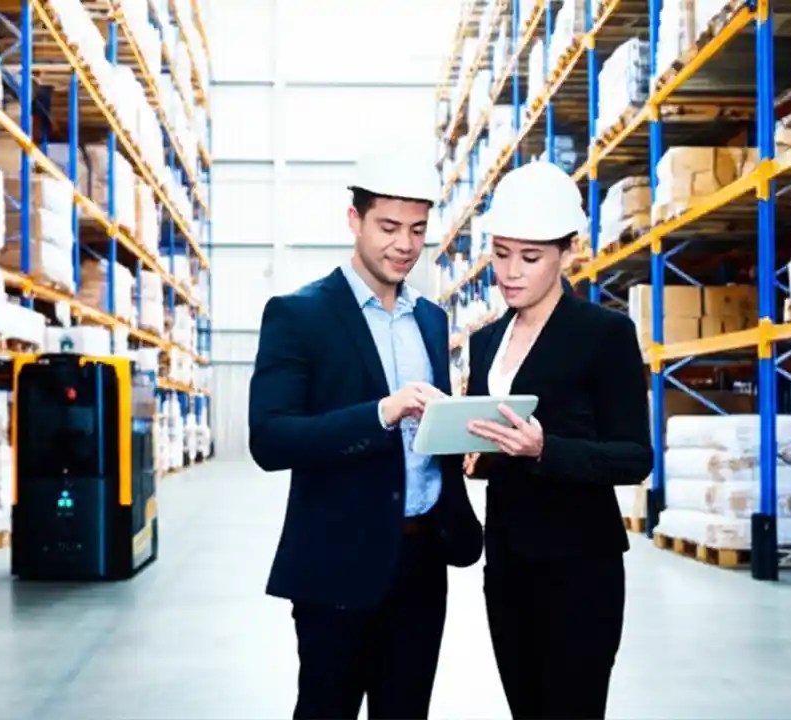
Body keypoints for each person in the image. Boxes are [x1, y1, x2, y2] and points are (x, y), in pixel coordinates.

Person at [248, 149, 484, 719]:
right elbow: (271, 439)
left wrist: (463, 434)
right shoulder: (298, 315)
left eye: (418, 230)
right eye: (389, 227)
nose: (405, 244)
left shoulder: (430, 319)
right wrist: (380, 413)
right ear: (354, 221)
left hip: (422, 560)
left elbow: (427, 433)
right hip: (338, 562)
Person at [463, 160, 653, 719]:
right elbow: (493, 446)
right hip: (506, 564)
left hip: (579, 569)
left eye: (530, 257)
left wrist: (547, 449)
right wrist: (476, 459)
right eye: (500, 254)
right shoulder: (485, 343)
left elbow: (634, 457)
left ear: (566, 252)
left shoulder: (604, 335)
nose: (511, 272)